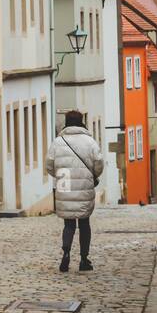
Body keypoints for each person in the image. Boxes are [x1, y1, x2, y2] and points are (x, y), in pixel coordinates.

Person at [46, 109, 104, 273]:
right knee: (84, 223)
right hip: (85, 184)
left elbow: (49, 164)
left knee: (68, 223)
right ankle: (84, 259)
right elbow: (98, 162)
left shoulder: (58, 142)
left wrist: (59, 175)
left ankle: (66, 253)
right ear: (81, 121)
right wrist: (93, 175)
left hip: (65, 184)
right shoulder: (89, 141)